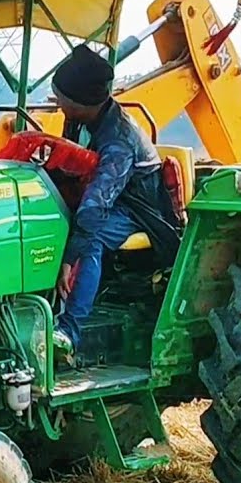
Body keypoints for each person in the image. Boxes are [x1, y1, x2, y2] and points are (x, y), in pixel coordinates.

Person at [50, 44, 182, 358]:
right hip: (111, 198)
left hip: (138, 208)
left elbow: (97, 205)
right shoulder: (87, 119)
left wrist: (68, 259)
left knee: (89, 237)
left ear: (81, 103)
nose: (57, 104)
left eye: (62, 99)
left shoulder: (119, 142)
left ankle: (69, 329)